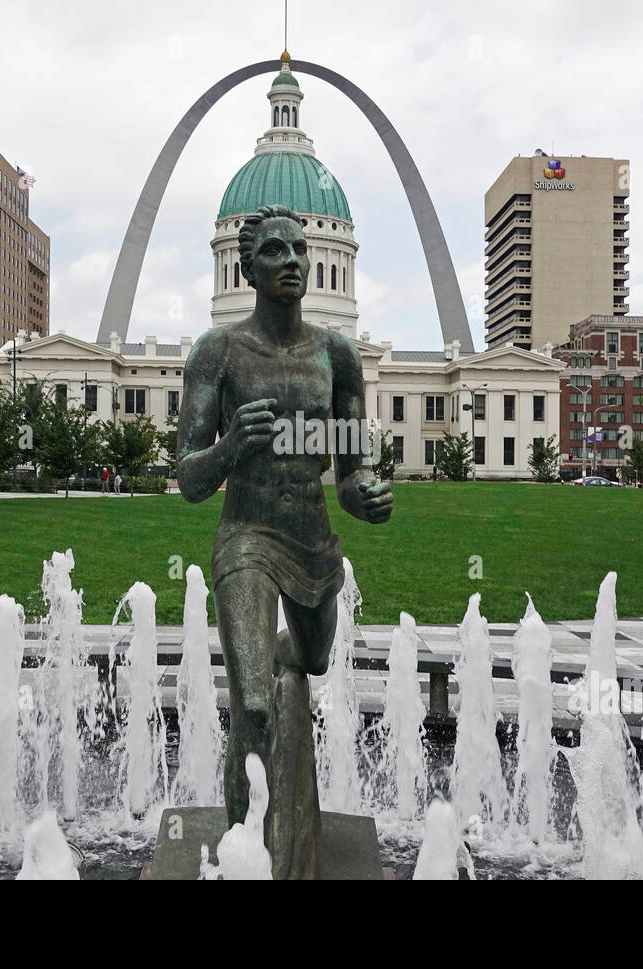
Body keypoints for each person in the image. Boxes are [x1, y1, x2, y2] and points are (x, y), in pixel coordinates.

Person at [176, 204, 392, 878]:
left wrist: (366, 495)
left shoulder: (338, 355)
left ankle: (288, 818)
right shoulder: (218, 353)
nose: (293, 260)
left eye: (300, 249)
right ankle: (249, 851)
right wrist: (231, 446)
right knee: (257, 704)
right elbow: (187, 476)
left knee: (311, 662)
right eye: (275, 251)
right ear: (247, 267)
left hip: (313, 545)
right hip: (246, 537)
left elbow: (353, 469)